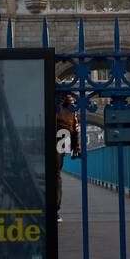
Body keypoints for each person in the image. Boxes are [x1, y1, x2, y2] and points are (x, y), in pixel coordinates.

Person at [54, 91, 81, 222]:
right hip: (63, 135)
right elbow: (76, 127)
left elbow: (75, 126)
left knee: (55, 174)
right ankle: (55, 210)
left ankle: (54, 210)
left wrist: (77, 146)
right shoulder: (71, 104)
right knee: (56, 174)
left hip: (61, 135)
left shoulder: (65, 103)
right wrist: (77, 147)